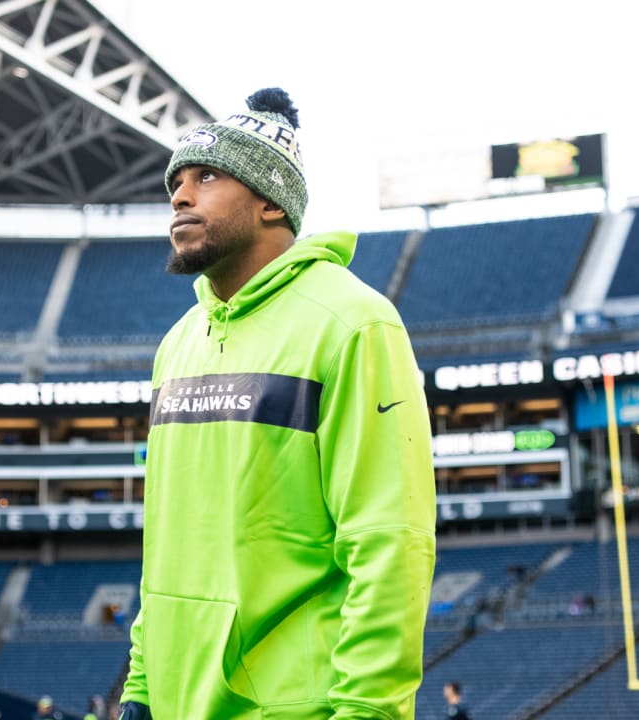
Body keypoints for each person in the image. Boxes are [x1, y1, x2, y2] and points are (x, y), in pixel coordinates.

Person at [118, 88, 436, 720]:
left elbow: (388, 538)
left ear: (270, 200)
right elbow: (167, 545)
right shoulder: (176, 345)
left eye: (206, 176)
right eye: (175, 181)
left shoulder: (354, 323)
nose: (179, 195)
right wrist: (141, 687)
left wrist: (369, 712)